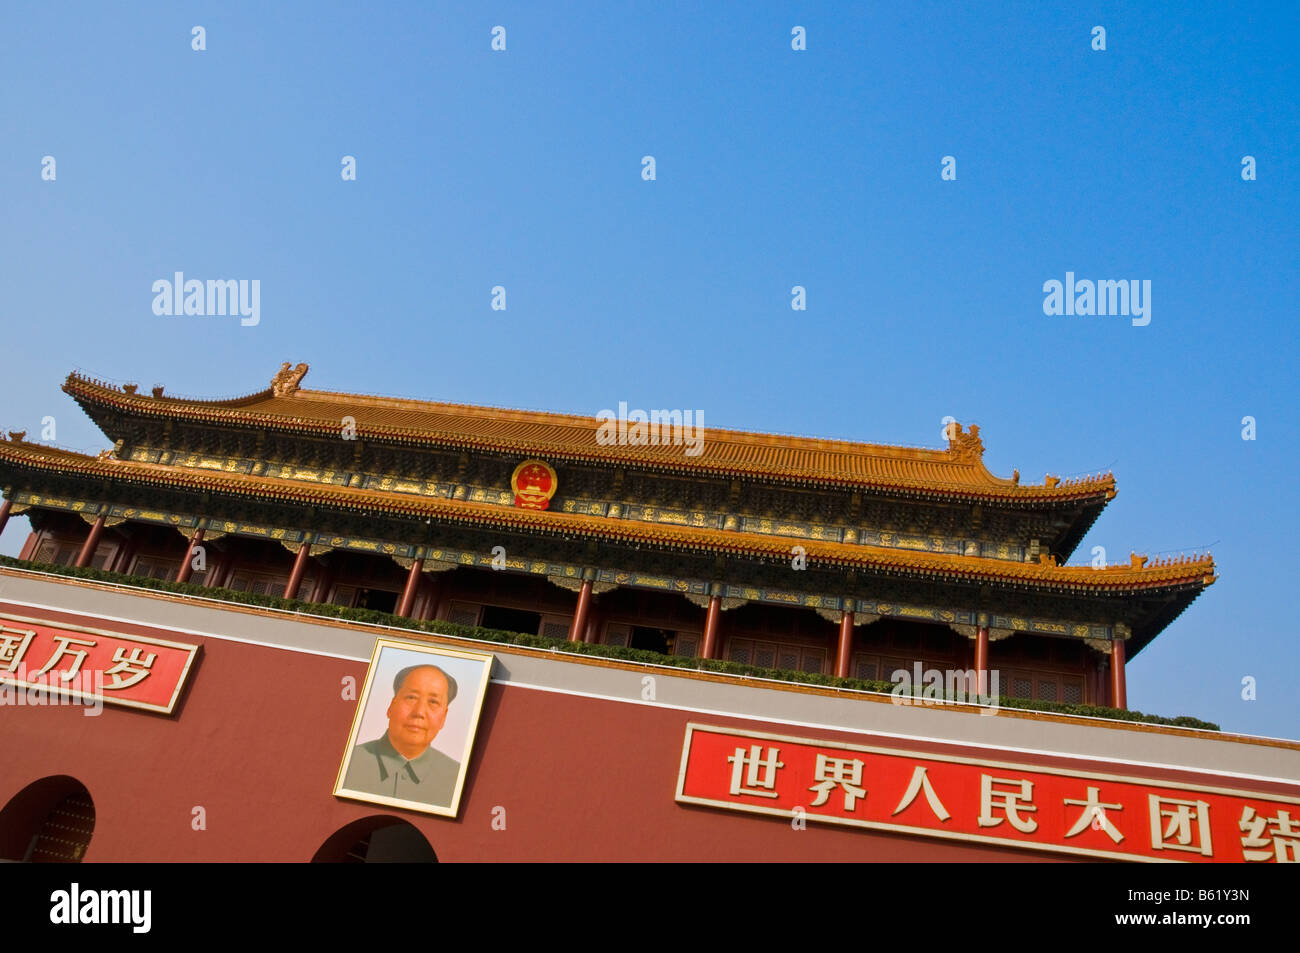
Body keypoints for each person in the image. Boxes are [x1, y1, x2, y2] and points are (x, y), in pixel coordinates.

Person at [342, 663, 461, 808]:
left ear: (443, 718)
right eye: (411, 697)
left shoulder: (456, 779)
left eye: (433, 702)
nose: (419, 712)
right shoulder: (348, 762)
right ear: (391, 706)